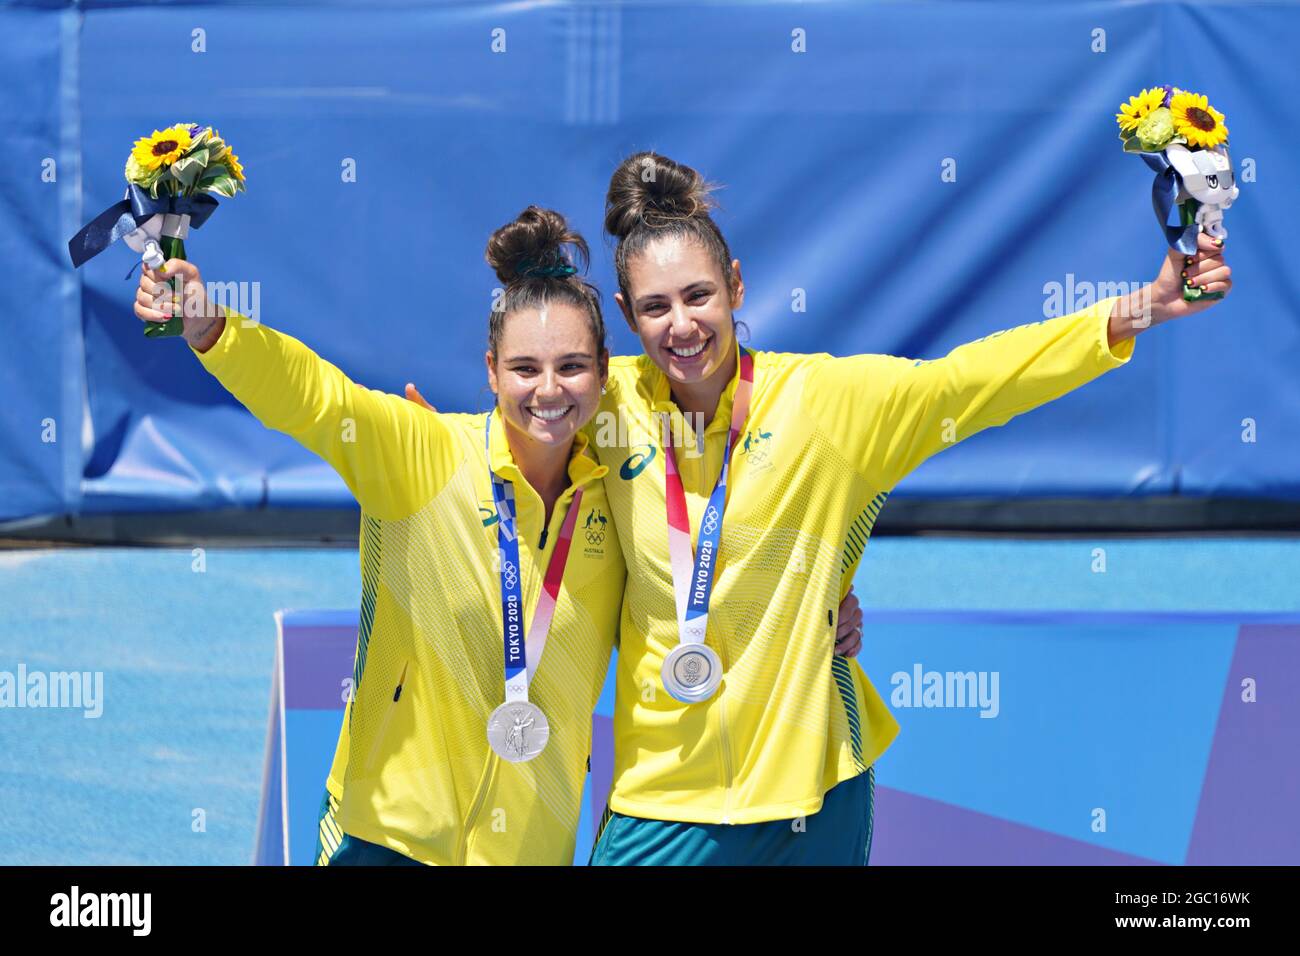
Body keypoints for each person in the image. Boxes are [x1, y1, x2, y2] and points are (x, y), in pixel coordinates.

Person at [585, 151, 1232, 865]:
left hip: (814, 792)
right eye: (656, 306)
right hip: (663, 801)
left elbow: (972, 383)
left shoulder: (827, 404)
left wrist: (1145, 307)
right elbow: (467, 448)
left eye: (699, 295)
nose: (682, 325)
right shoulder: (599, 408)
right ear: (625, 316)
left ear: (736, 287)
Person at [135, 206, 627, 864]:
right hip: (388, 839)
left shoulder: (622, 493)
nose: (548, 390)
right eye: (524, 369)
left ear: (605, 369)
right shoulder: (423, 454)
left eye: (572, 367)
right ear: (490, 371)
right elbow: (315, 398)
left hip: (530, 850)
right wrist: (209, 325)